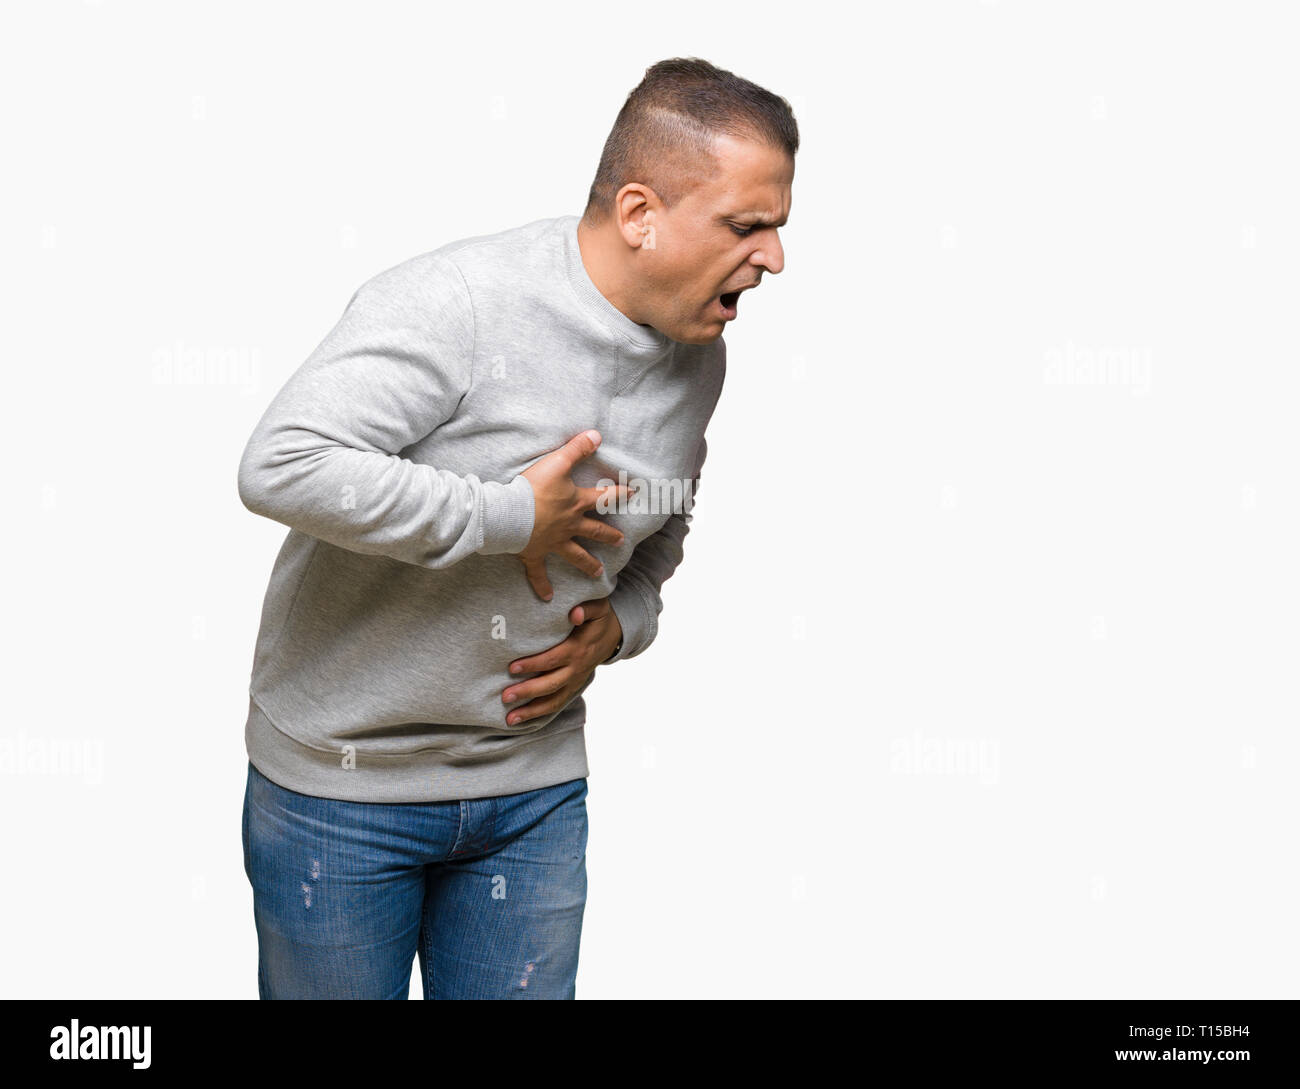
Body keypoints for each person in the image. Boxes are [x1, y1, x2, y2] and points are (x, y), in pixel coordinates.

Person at [237, 56, 796, 999]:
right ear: (639, 214)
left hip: (532, 792)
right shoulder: (457, 303)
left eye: (778, 229)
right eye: (747, 227)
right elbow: (281, 465)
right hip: (343, 790)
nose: (775, 258)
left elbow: (663, 521)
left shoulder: (702, 356)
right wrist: (507, 516)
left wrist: (623, 625)